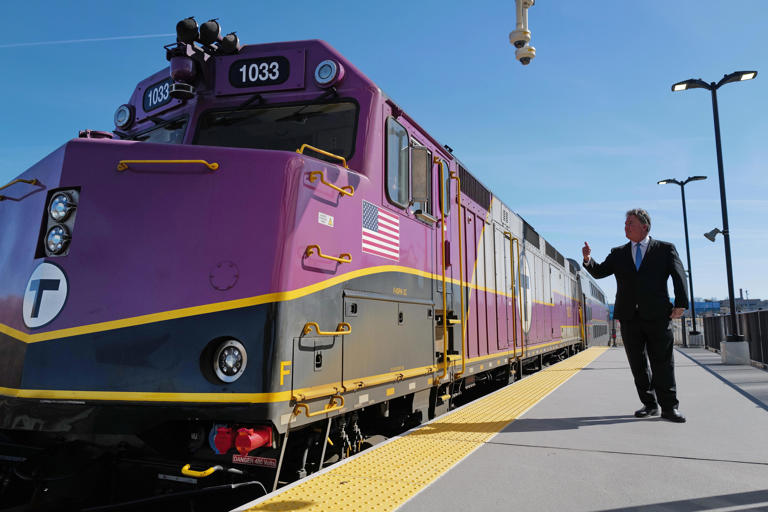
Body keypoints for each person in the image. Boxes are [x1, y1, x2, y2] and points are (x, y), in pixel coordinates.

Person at [582, 209, 689, 423]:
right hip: (629, 317)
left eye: (630, 223)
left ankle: (669, 407)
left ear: (645, 227)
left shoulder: (665, 249)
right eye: (625, 223)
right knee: (637, 364)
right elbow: (601, 271)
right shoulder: (618, 252)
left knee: (663, 362)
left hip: (658, 315)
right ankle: (649, 405)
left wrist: (681, 304)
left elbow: (679, 276)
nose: (626, 226)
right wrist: (587, 259)